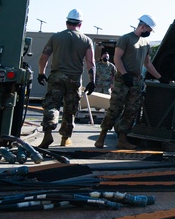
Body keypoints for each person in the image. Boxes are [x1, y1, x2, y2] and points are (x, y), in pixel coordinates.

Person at [95, 15, 162, 150]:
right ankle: (101, 136)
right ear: (142, 26)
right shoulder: (126, 39)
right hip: (123, 79)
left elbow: (147, 63)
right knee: (115, 109)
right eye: (148, 29)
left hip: (137, 81)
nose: (148, 32)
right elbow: (117, 57)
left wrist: (160, 77)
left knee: (131, 110)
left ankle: (122, 139)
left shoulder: (145, 43)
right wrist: (125, 74)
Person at [36, 9, 95, 147]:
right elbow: (90, 63)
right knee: (70, 108)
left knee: (52, 104)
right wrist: (92, 81)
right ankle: (65, 138)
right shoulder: (86, 40)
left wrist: (41, 72)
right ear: (80, 24)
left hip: (56, 76)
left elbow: (44, 56)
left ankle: (48, 133)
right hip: (74, 79)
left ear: (66, 22)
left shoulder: (56, 37)